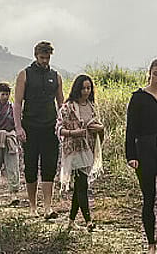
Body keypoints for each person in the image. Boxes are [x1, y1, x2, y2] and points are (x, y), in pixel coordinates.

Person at [125, 58, 157, 254]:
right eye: (156, 74)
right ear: (150, 73)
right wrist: (131, 155)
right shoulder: (138, 97)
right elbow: (131, 129)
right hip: (144, 149)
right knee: (149, 198)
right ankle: (150, 244)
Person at [15, 41, 64, 218]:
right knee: (30, 166)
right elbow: (18, 103)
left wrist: (64, 126)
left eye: (47, 58)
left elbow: (61, 103)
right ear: (36, 56)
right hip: (30, 127)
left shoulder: (56, 76)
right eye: (42, 57)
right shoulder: (25, 75)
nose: (45, 61)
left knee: (49, 166)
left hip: (50, 128)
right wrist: (18, 127)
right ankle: (33, 206)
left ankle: (48, 207)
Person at [58, 73, 104, 230]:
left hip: (89, 147)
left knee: (80, 186)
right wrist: (73, 133)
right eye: (83, 88)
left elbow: (98, 125)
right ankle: (88, 221)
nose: (86, 91)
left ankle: (71, 220)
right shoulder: (68, 107)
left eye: (89, 88)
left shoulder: (91, 106)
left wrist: (99, 128)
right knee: (82, 184)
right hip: (74, 149)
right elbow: (59, 128)